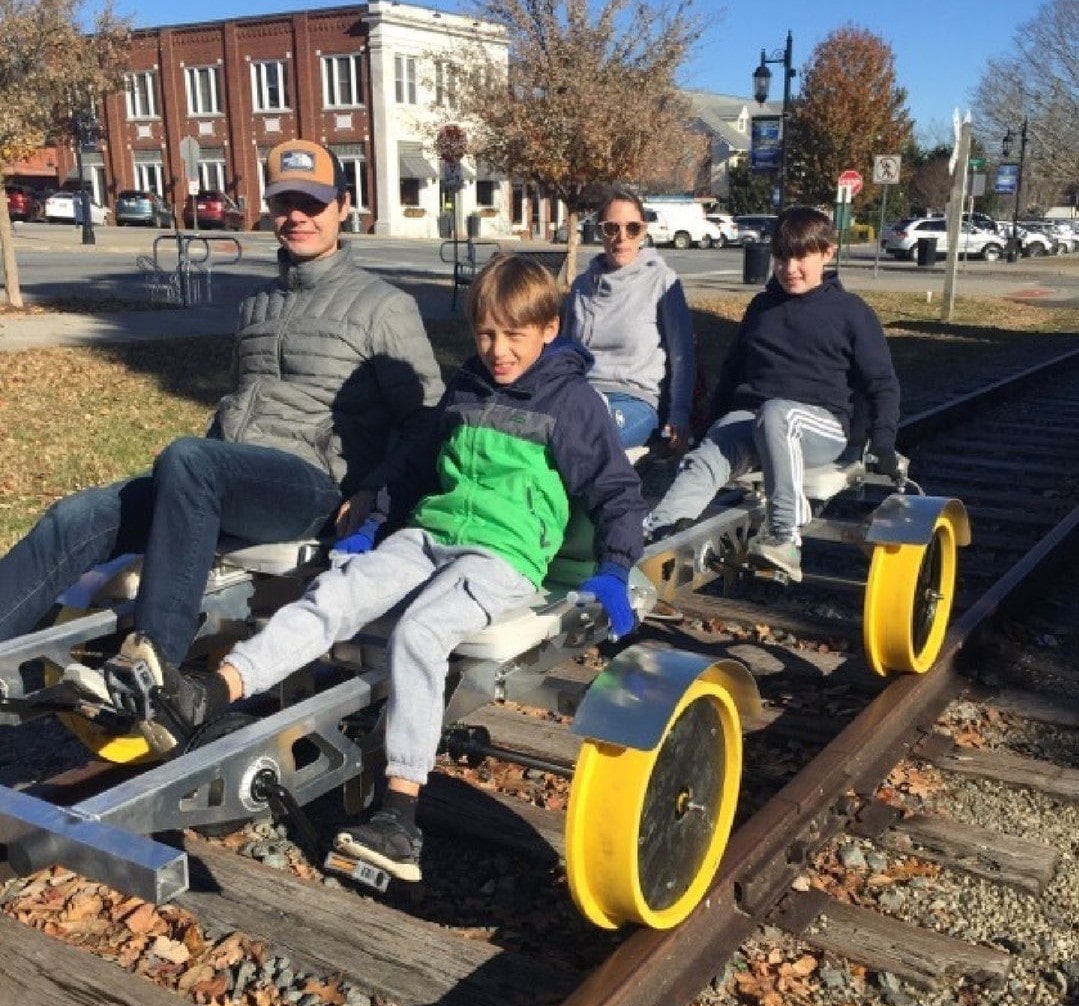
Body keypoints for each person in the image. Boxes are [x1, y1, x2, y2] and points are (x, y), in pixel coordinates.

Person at [112, 253, 646, 881]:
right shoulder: (468, 385)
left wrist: (614, 568)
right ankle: (210, 692)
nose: (498, 350)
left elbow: (616, 491)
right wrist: (371, 519)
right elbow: (416, 461)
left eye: (514, 335)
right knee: (333, 594)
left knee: (422, 629)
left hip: (505, 555)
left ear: (549, 329)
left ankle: (400, 816)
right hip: (431, 533)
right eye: (486, 334)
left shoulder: (573, 403)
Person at [3, 138, 444, 748]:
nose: (298, 216)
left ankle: (152, 664)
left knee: (190, 459)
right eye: (285, 202)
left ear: (344, 207)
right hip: (220, 477)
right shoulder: (258, 303)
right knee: (78, 515)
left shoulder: (385, 307)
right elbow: (241, 403)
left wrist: (373, 489)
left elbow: (425, 419)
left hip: (311, 485)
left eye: (313, 203)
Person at [643, 206, 901, 582]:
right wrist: (709, 427)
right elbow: (732, 372)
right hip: (755, 422)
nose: (789, 268)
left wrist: (883, 441)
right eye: (781, 258)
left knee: (779, 414)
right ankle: (657, 537)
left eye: (801, 257)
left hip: (820, 427)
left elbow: (882, 382)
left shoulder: (851, 312)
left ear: (827, 253)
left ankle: (785, 534)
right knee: (709, 456)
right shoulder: (762, 308)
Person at [562, 187, 695, 451]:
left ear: (643, 232)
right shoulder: (581, 286)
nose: (622, 237)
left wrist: (679, 415)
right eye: (612, 228)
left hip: (635, 400)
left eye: (632, 228)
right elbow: (564, 353)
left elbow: (683, 357)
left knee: (591, 439)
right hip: (581, 394)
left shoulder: (662, 282)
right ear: (599, 231)